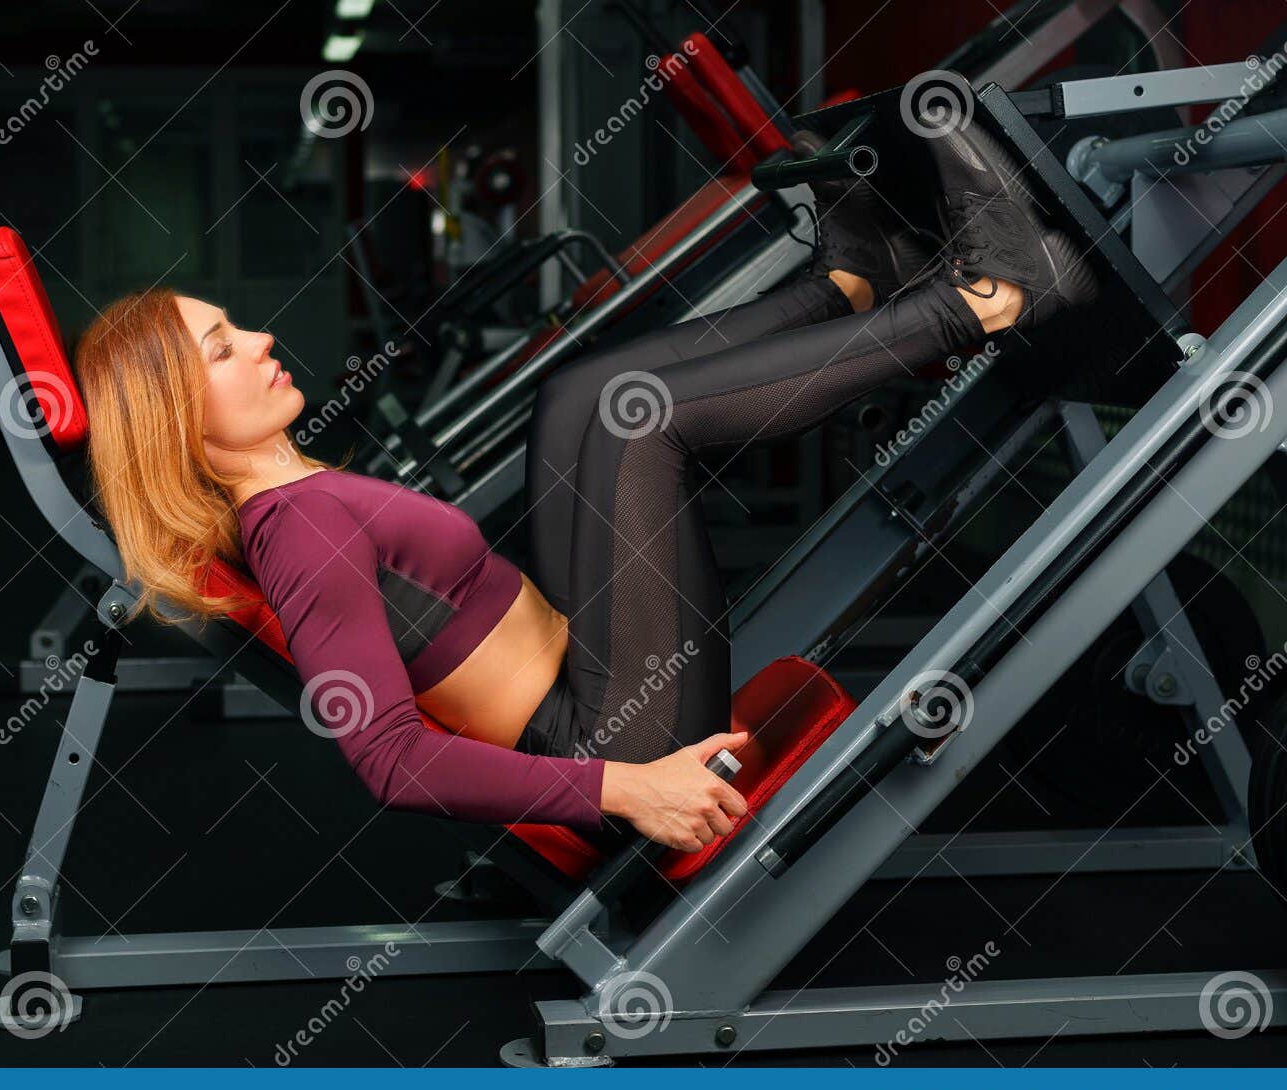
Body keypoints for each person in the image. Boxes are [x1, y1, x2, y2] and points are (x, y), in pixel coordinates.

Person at [74, 118, 1097, 854]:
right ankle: (987, 300)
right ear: (177, 418)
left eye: (234, 327)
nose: (260, 339)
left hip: (595, 676)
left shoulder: (296, 488)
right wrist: (629, 789)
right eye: (223, 348)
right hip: (622, 741)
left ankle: (849, 284)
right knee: (636, 421)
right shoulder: (295, 530)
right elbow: (387, 760)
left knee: (577, 398)